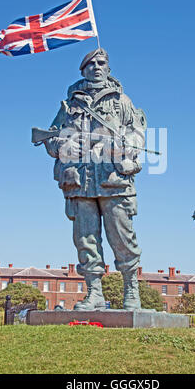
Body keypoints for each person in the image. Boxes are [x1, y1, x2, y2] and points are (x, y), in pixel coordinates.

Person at [43, 48, 146, 310]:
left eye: (102, 63)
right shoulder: (69, 105)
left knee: (123, 238)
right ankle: (94, 293)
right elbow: (51, 139)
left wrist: (127, 145)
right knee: (85, 239)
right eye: (91, 64)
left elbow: (138, 132)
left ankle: (131, 291)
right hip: (79, 181)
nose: (97, 67)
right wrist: (64, 144)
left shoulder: (121, 101)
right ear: (83, 70)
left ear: (108, 69)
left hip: (114, 180)